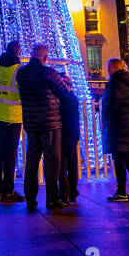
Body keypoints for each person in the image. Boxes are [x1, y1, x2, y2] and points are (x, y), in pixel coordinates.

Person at [16, 44, 74, 211]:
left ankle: (30, 199)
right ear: (45, 57)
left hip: (31, 123)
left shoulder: (22, 73)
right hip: (50, 123)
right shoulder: (49, 72)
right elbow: (64, 92)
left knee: (32, 162)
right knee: (51, 162)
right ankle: (52, 199)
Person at [100, 58, 129, 202]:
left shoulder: (115, 83)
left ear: (115, 68)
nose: (108, 70)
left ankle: (121, 191)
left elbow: (113, 104)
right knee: (128, 159)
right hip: (128, 126)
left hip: (118, 126)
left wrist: (105, 117)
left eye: (109, 67)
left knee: (119, 159)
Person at [0, 40, 24, 203]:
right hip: (13, 116)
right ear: (17, 52)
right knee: (10, 155)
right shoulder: (18, 70)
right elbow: (22, 92)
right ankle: (8, 190)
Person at [57, 67, 81, 205]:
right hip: (72, 133)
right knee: (72, 164)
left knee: (64, 165)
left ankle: (65, 193)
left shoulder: (62, 97)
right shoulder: (72, 96)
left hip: (63, 133)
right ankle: (72, 192)